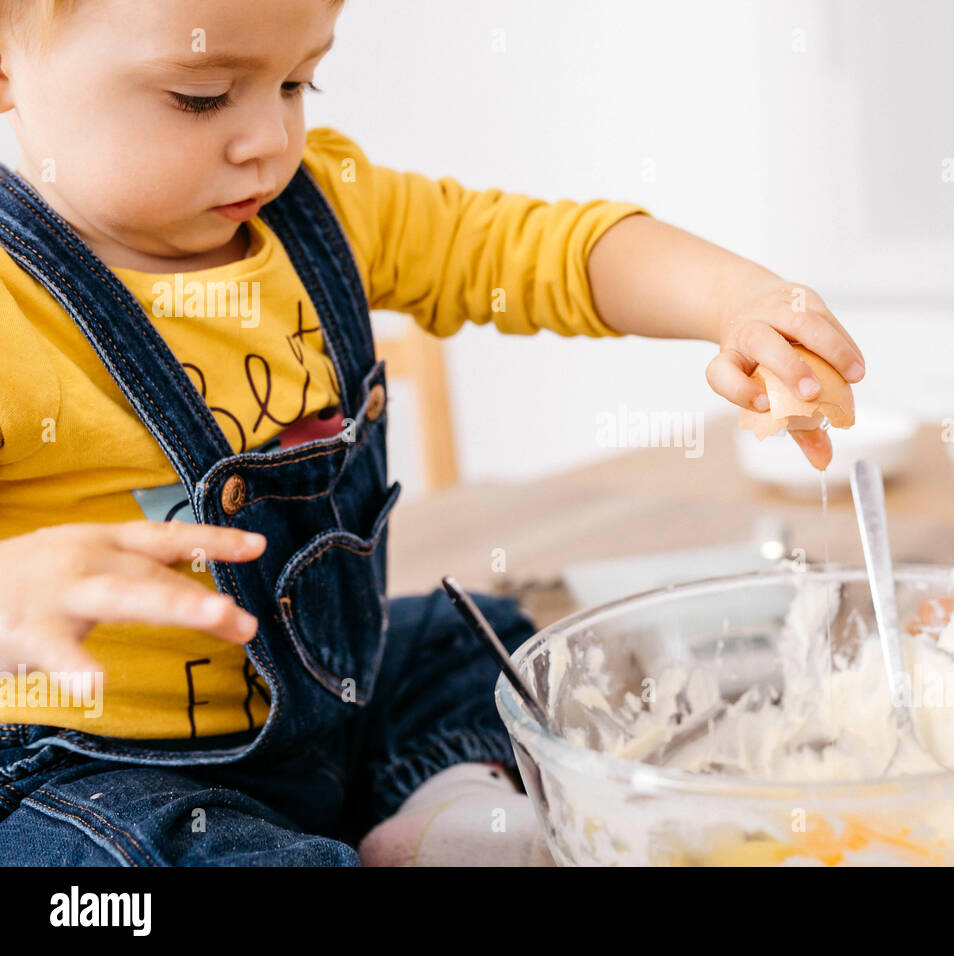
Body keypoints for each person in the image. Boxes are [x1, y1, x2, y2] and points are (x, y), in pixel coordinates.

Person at [0, 0, 865, 865]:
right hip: (96, 777)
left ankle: (443, 818)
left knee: (475, 645)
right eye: (201, 95)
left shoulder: (327, 211)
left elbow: (538, 249)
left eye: (300, 80)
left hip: (341, 710)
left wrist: (737, 301)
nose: (268, 137)